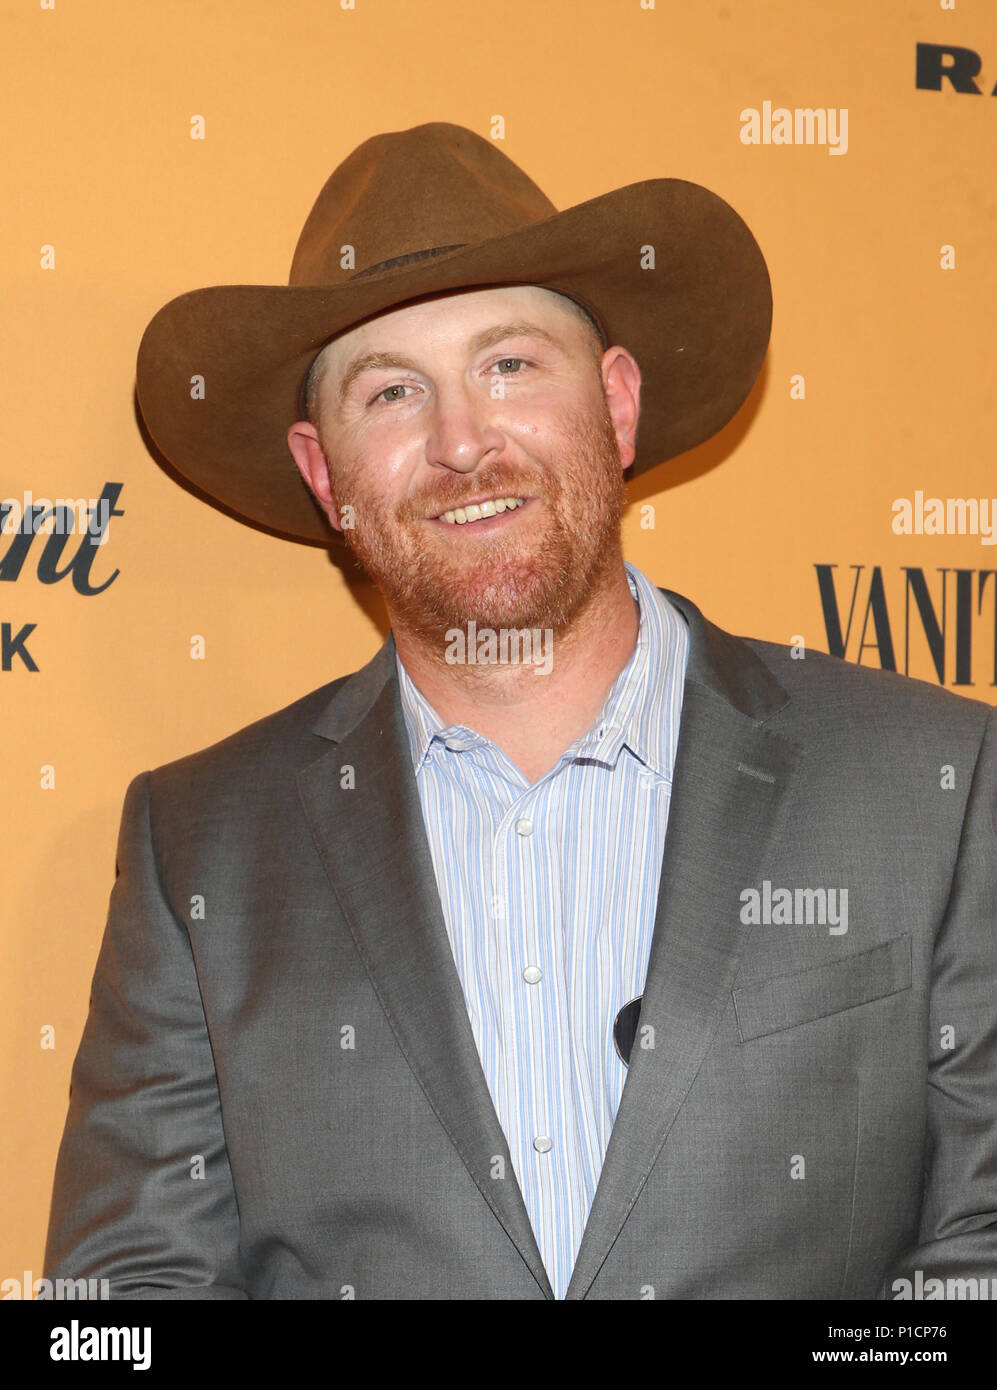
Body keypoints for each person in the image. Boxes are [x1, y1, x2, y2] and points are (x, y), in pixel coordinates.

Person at [44, 122, 996, 1301]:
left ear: (616, 404)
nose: (460, 443)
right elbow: (121, 1303)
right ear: (325, 472)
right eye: (392, 391)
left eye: (509, 366)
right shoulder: (198, 845)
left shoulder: (934, 781)